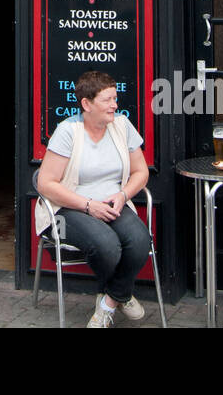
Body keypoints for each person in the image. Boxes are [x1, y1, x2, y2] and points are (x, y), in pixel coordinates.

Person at [36, 70, 153, 329]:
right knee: (106, 245)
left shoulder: (122, 126)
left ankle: (110, 301)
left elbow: (140, 172)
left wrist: (123, 195)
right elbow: (46, 183)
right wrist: (89, 205)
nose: (115, 105)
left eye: (115, 98)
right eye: (107, 99)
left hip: (113, 203)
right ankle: (121, 293)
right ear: (86, 104)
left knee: (140, 239)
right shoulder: (68, 132)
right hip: (69, 209)